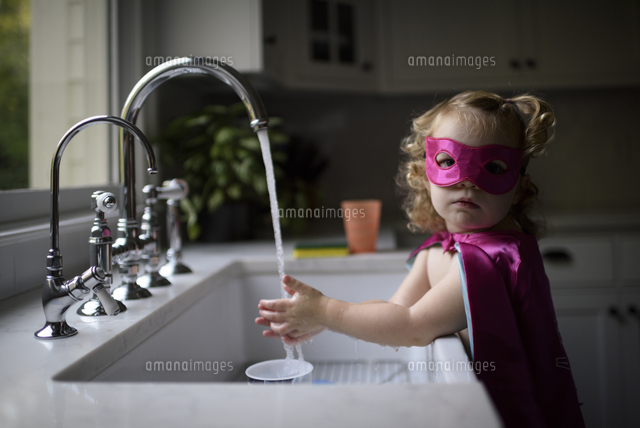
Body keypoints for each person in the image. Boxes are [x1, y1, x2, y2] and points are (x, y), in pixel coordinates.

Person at [255, 91, 585, 427]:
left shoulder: (492, 261)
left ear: (518, 187)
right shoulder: (439, 250)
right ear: (424, 175)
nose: (467, 180)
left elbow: (411, 328)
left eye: (494, 167)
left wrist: (326, 309)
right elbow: (394, 311)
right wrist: (324, 320)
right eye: (448, 162)